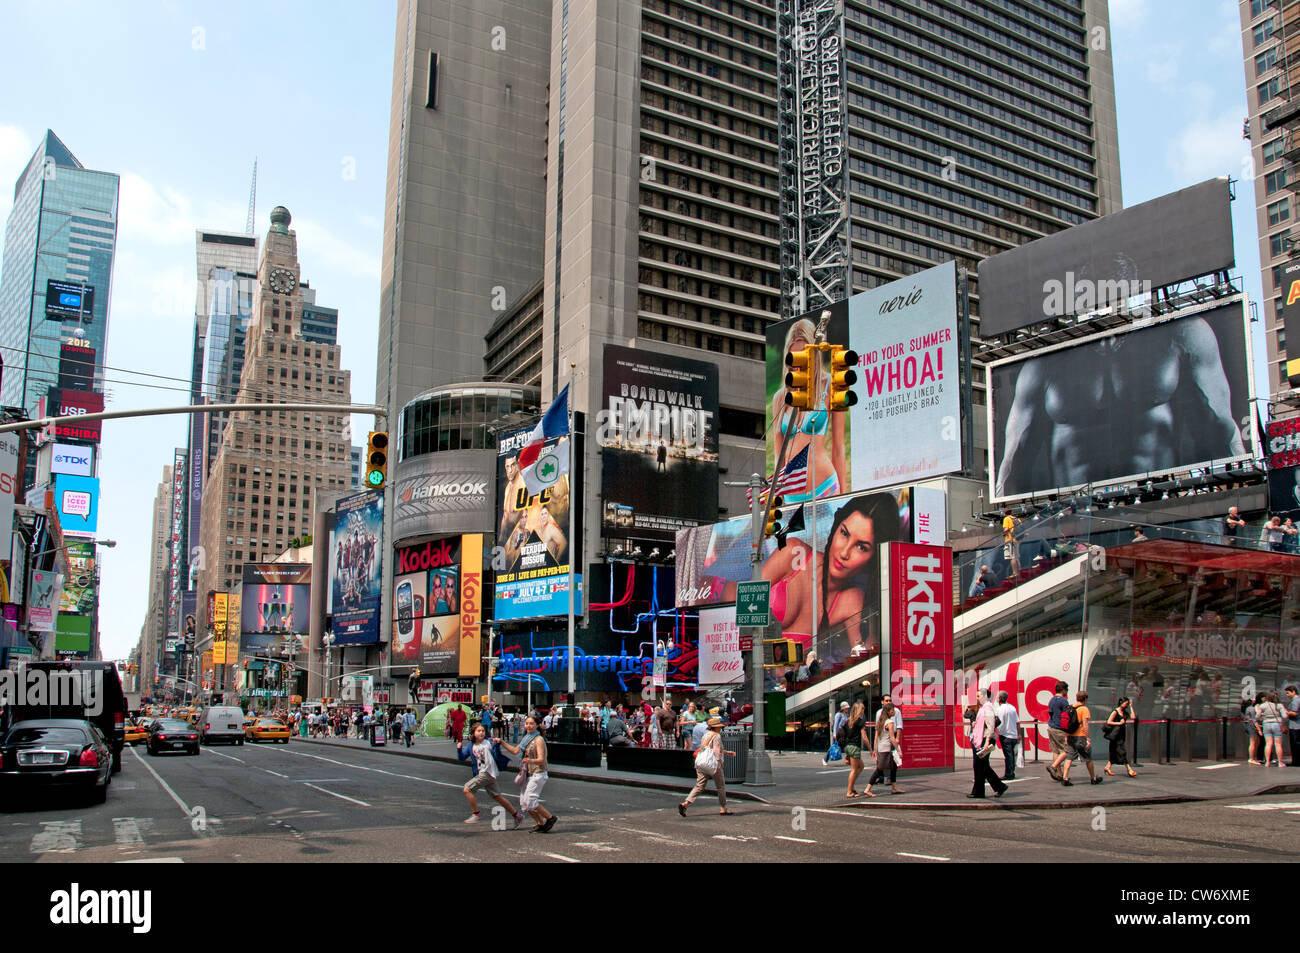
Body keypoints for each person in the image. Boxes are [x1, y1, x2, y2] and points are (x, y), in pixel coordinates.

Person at [994, 315, 1245, 498]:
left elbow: (1221, 423)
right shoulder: (1042, 364)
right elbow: (1014, 456)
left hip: (1161, 499)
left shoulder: (1183, 332)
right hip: (1076, 510)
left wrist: (1245, 488)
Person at [723, 493, 901, 662]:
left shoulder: (851, 600)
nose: (844, 553)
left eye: (861, 547)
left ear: (873, 558)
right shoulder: (794, 554)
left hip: (778, 685)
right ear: (836, 527)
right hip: (735, 659)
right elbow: (738, 599)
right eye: (844, 533)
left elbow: (865, 654)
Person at [770, 317, 849, 504]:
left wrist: (844, 498)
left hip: (825, 489)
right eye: (793, 357)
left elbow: (839, 448)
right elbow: (778, 459)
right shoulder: (780, 398)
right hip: (790, 497)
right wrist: (776, 501)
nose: (797, 363)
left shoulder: (831, 384)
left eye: (803, 356)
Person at [498, 714, 557, 833]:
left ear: (537, 725)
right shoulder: (527, 738)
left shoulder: (538, 740)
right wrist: (501, 742)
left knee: (531, 801)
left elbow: (541, 759)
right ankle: (540, 823)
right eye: (527, 723)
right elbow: (515, 751)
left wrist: (529, 760)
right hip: (528, 774)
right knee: (524, 803)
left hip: (538, 773)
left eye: (531, 724)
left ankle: (550, 818)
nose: (528, 726)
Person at [460, 724, 525, 827]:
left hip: (487, 772)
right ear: (473, 733)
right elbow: (462, 757)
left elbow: (497, 753)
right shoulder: (470, 745)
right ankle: (517, 816)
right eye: (478, 731)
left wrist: (497, 744)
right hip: (483, 773)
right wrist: (459, 749)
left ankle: (476, 814)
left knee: (467, 789)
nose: (481, 732)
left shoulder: (488, 742)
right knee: (497, 796)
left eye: (483, 731)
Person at [678, 717, 734, 816]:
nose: (720, 729)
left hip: (701, 763)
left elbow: (707, 749)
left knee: (699, 786)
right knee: (720, 786)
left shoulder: (705, 735)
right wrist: (719, 762)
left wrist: (727, 752)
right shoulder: (716, 736)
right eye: (719, 727)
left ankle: (685, 803)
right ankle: (723, 807)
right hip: (712, 764)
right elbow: (716, 750)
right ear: (716, 728)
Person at [967, 689, 1007, 799]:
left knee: (980, 765)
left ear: (985, 696)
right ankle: (996, 787)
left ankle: (980, 791)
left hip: (985, 739)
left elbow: (991, 725)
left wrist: (987, 741)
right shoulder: (984, 708)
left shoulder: (988, 708)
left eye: (979, 696)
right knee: (981, 766)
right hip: (982, 738)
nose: (977, 698)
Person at [863, 700, 903, 796]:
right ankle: (867, 789)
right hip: (886, 749)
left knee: (893, 767)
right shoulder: (890, 722)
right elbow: (892, 738)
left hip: (881, 748)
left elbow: (876, 737)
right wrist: (898, 750)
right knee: (879, 769)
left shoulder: (881, 721)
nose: (894, 712)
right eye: (893, 710)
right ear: (889, 712)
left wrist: (874, 750)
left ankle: (894, 787)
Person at [1061, 691, 1100, 786]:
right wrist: (1088, 738)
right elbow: (1085, 724)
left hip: (1070, 736)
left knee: (1069, 757)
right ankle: (1093, 778)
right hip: (1080, 736)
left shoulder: (1070, 708)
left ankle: (1065, 778)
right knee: (1088, 758)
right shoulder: (1084, 709)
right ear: (1085, 699)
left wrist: (1066, 736)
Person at [1046, 681, 1073, 783]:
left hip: (1051, 727)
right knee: (1067, 750)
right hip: (1060, 728)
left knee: (1055, 750)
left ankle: (1059, 773)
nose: (1067, 692)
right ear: (1063, 690)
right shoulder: (1063, 701)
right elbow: (1066, 716)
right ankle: (1053, 767)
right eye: (1066, 690)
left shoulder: (1052, 700)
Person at [1104, 697, 1137, 778]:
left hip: (1121, 734)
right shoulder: (1115, 711)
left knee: (1114, 752)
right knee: (1122, 752)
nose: (1126, 705)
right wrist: (1119, 723)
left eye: (1127, 704)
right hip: (1115, 735)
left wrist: (1131, 707)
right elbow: (1109, 721)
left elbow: (1133, 717)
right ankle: (1129, 769)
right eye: (1126, 704)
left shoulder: (1124, 712)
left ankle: (1107, 767)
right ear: (1121, 702)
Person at [843, 701, 867, 798]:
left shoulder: (848, 721)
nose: (863, 711)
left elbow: (846, 736)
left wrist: (847, 754)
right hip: (854, 747)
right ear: (858, 710)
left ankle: (851, 787)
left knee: (861, 766)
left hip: (848, 747)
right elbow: (864, 737)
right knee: (854, 769)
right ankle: (849, 791)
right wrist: (870, 749)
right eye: (862, 709)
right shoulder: (860, 722)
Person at [1257, 691, 1287, 767]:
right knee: (1278, 744)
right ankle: (1280, 762)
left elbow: (1257, 716)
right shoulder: (1279, 705)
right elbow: (1285, 716)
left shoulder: (1263, 706)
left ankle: (1267, 762)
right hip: (1276, 724)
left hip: (1266, 724)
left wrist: (1263, 716)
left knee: (1268, 744)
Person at [995, 690, 1020, 780]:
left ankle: (1009, 773)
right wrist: (1019, 734)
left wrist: (998, 732)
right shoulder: (1012, 708)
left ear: (1000, 698)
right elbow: (1017, 722)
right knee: (1011, 755)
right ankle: (1011, 771)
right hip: (1013, 734)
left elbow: (998, 722)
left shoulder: (999, 709)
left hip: (1005, 735)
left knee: (1008, 755)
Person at [824, 700, 849, 765]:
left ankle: (848, 759)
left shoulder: (846, 715)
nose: (847, 708)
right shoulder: (838, 715)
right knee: (834, 746)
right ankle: (825, 759)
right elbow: (835, 725)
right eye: (846, 707)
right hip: (838, 734)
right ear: (843, 708)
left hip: (843, 733)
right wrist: (834, 734)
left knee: (847, 746)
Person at [1002, 509, 1021, 578]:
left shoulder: (1006, 519)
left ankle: (1015, 573)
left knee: (1012, 557)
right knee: (1017, 557)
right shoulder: (1017, 519)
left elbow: (1006, 529)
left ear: (1005, 513)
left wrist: (1003, 533)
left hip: (1010, 540)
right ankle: (1020, 572)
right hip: (1017, 539)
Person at [1286, 686, 1300, 768]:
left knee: (1295, 744)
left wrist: (1286, 712)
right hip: (1297, 725)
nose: (1287, 695)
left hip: (1295, 726)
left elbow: (1294, 713)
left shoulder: (1295, 701)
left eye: (1288, 693)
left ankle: (1296, 761)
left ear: (1293, 691)